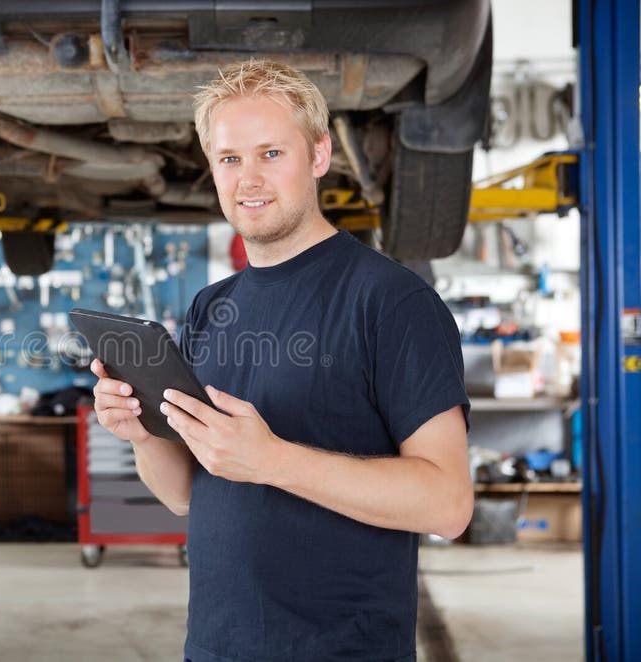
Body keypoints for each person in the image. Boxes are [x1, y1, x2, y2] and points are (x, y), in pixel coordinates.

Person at [90, 59, 472, 662]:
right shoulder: (211, 307)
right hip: (216, 647)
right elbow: (188, 496)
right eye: (230, 158)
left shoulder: (392, 302)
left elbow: (448, 505)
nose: (248, 180)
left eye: (271, 153)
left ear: (318, 155)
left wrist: (272, 460)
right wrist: (140, 435)